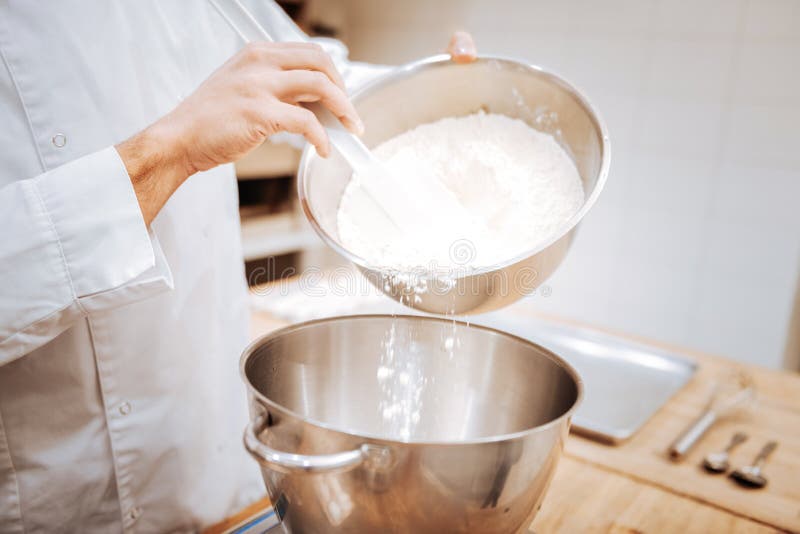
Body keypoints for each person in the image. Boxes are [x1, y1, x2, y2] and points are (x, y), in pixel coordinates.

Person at [0, 1, 475, 531]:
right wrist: (170, 150)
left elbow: (314, 81)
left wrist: (438, 96)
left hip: (214, 466)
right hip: (51, 499)